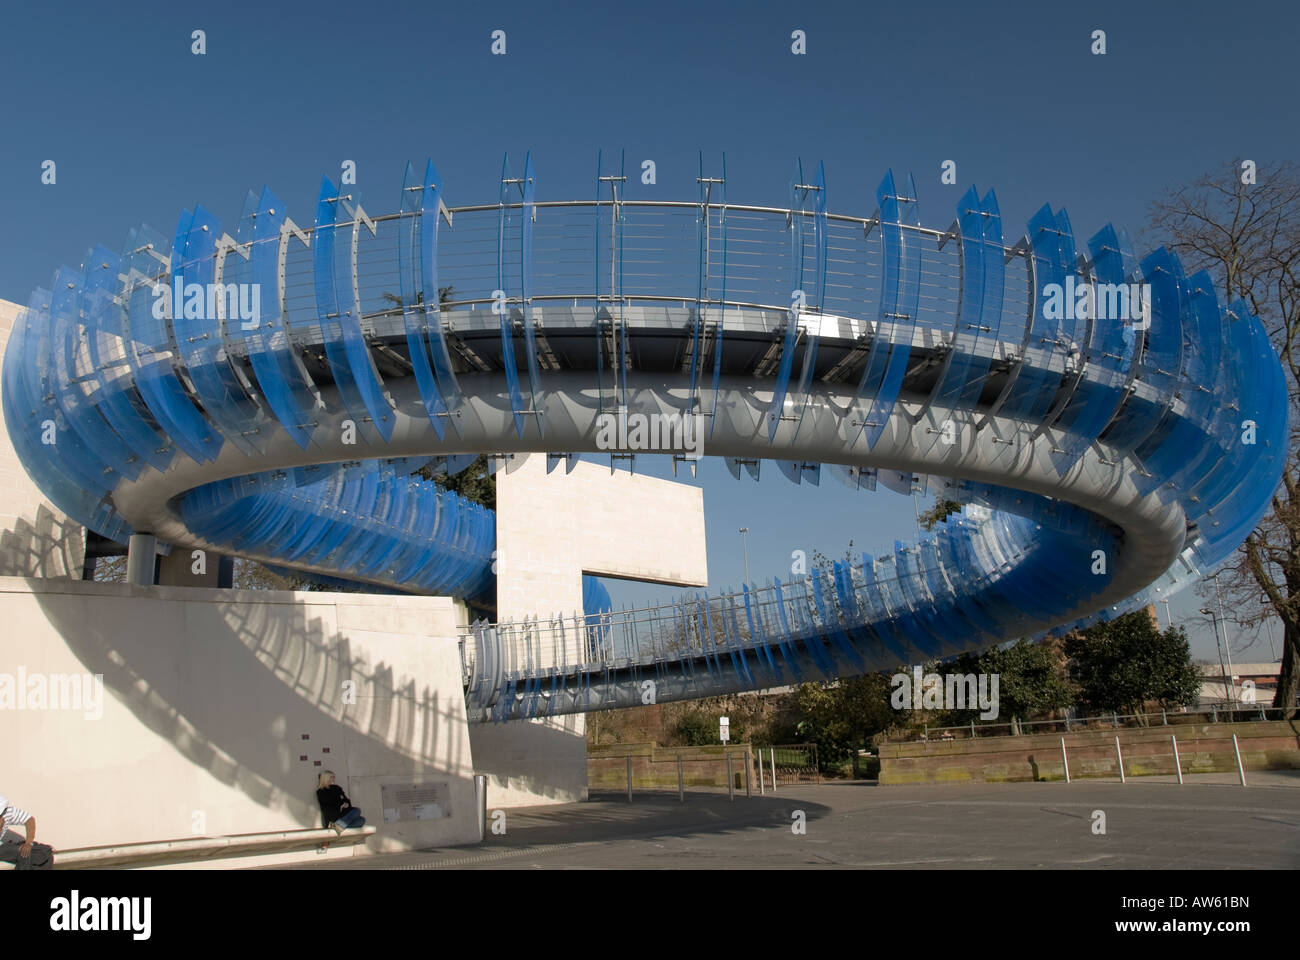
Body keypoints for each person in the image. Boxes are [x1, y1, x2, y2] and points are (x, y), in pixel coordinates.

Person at [0, 793, 51, 869]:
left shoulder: (7, 812)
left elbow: (29, 820)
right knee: (23, 853)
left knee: (45, 853)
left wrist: (28, 843)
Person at [315, 771, 365, 835]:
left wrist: (346, 804)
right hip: (333, 815)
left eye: (334, 777)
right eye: (331, 777)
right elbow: (329, 803)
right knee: (357, 810)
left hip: (343, 813)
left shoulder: (337, 788)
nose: (333, 779)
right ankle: (338, 826)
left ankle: (337, 827)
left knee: (361, 820)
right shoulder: (320, 791)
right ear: (326, 778)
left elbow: (345, 799)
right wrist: (340, 804)